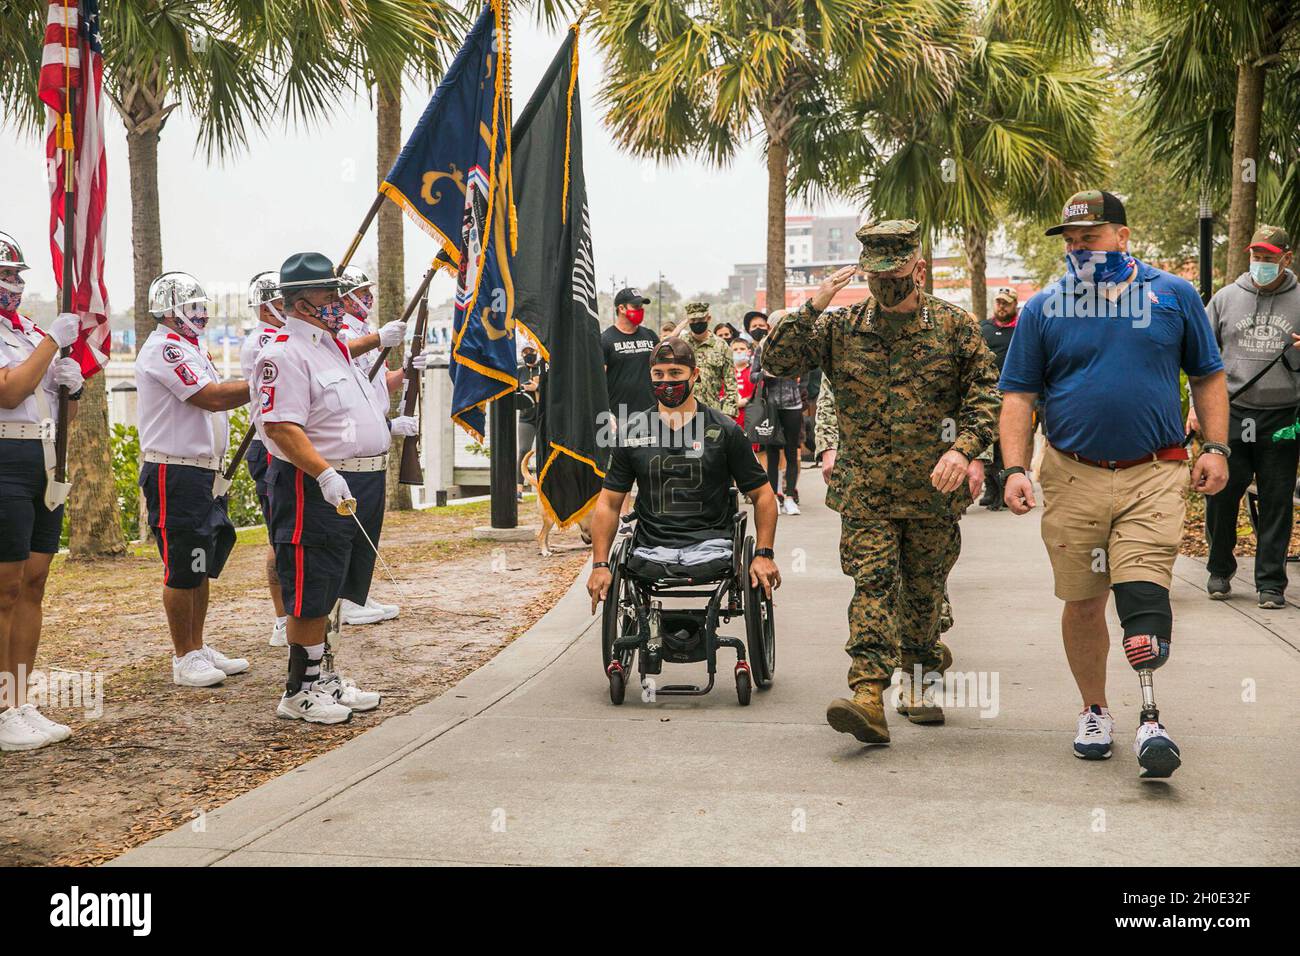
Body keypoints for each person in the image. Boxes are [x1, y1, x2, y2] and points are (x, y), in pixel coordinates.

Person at [998, 189, 1228, 778]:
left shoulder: (1173, 297)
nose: (1079, 250)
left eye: (1091, 237)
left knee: (1142, 592)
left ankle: (1151, 718)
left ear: (1123, 237)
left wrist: (1218, 448)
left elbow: (1207, 376)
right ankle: (1095, 709)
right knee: (1083, 601)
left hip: (1155, 470)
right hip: (1072, 473)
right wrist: (1015, 467)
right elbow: (1018, 395)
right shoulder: (1043, 308)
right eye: (1072, 241)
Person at [763, 220, 999, 744]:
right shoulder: (839, 326)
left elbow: (985, 397)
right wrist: (813, 303)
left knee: (922, 592)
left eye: (894, 274)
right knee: (872, 585)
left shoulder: (954, 327)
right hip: (865, 490)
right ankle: (868, 694)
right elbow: (776, 362)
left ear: (918, 268)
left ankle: (919, 677)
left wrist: (964, 451)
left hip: (934, 492)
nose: (884, 285)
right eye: (874, 275)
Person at [253, 252, 418, 724]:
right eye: (330, 295)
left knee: (337, 583)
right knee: (310, 585)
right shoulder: (284, 352)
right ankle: (298, 690)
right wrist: (324, 474)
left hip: (359, 480)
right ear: (302, 304)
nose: (339, 302)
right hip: (315, 483)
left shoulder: (333, 346)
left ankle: (323, 675)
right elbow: (282, 426)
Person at [586, 337, 781, 612]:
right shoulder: (631, 433)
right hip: (650, 546)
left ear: (695, 375)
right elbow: (608, 502)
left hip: (713, 544)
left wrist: (763, 554)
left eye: (676, 373)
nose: (667, 382)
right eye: (659, 374)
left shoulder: (725, 431)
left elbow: (763, 495)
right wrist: (600, 565)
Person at [135, 271, 253, 689]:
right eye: (192, 308)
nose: (201, 314)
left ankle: (198, 645)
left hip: (203, 472)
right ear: (167, 312)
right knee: (183, 564)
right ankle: (183, 655)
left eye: (204, 307)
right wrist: (265, 381)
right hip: (175, 471)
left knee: (202, 561)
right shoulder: (165, 350)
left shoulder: (192, 348)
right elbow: (210, 397)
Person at [0, 231, 84, 750]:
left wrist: (70, 386)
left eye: (17, 275)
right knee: (3, 587)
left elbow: (55, 407)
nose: (17, 284)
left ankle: (20, 699)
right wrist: (53, 342)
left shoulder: (26, 330)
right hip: (4, 455)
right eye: (8, 276)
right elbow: (9, 391)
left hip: (43, 454)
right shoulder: (37, 336)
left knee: (33, 582)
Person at [1197, 225, 1300, 608]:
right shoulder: (1225, 299)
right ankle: (1220, 570)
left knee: (1276, 501)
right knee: (1221, 496)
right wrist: (1196, 409)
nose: (1261, 264)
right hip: (1232, 413)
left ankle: (1271, 583)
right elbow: (1202, 360)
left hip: (1283, 417)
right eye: (1257, 256)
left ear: (1287, 259)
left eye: (1269, 258)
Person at [335, 266, 404, 626]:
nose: (368, 298)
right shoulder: (345, 331)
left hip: (374, 438)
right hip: (350, 449)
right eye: (360, 292)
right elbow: (341, 353)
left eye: (368, 291)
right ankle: (345, 599)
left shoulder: (364, 331)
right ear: (344, 297)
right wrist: (378, 338)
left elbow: (375, 383)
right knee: (351, 528)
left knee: (369, 528)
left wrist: (407, 371)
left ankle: (358, 593)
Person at [240, 272, 291, 646]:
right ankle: (281, 618)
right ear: (265, 305)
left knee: (293, 536)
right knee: (279, 537)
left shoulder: (286, 336)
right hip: (269, 444)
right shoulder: (262, 342)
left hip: (287, 444)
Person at [752, 309, 805, 514]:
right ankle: (774, 495)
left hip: (793, 404)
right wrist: (766, 374)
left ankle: (790, 495)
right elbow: (752, 376)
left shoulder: (797, 345)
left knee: (792, 451)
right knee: (772, 452)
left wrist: (801, 389)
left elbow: (807, 371)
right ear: (771, 327)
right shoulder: (763, 346)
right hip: (771, 406)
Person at [978, 288, 1019, 509]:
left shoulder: (1021, 330)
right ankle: (991, 487)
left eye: (1007, 303)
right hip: (988, 394)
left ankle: (1006, 487)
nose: (1002, 307)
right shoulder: (985, 328)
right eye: (999, 303)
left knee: (1006, 444)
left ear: (1014, 305)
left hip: (1012, 394)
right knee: (988, 442)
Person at [601, 287, 658, 426]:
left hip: (651, 414)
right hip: (619, 418)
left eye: (641, 306)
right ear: (621, 308)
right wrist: (605, 411)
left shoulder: (650, 335)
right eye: (636, 306)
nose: (640, 310)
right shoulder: (605, 339)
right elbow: (598, 381)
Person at [679, 302, 738, 418]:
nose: (697, 323)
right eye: (693, 320)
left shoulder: (721, 346)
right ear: (688, 321)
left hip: (711, 411)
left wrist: (728, 414)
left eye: (700, 319)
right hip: (683, 411)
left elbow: (730, 382)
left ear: (708, 318)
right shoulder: (681, 344)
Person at [517, 338, 545, 495]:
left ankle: (542, 484)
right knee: (523, 450)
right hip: (526, 417)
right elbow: (513, 391)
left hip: (543, 415)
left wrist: (537, 387)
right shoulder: (519, 371)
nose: (528, 355)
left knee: (543, 450)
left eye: (531, 352)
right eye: (525, 352)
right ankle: (518, 488)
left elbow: (553, 389)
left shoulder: (543, 368)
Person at [730, 337, 755, 430]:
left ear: (749, 352)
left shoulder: (754, 372)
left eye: (742, 349)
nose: (739, 351)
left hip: (751, 419)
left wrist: (745, 401)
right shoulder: (726, 372)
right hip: (730, 419)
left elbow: (759, 393)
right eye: (735, 349)